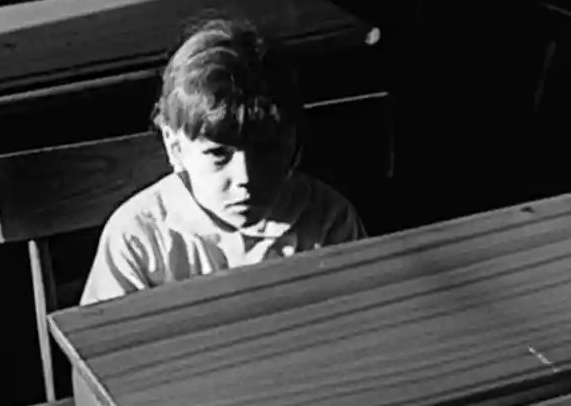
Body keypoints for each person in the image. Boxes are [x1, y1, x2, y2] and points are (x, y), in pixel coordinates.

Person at [80, 16, 367, 305]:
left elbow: (364, 321)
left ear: (293, 141)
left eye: (267, 150)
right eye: (218, 154)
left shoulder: (328, 221)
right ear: (174, 146)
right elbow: (110, 343)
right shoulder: (140, 238)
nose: (246, 178)